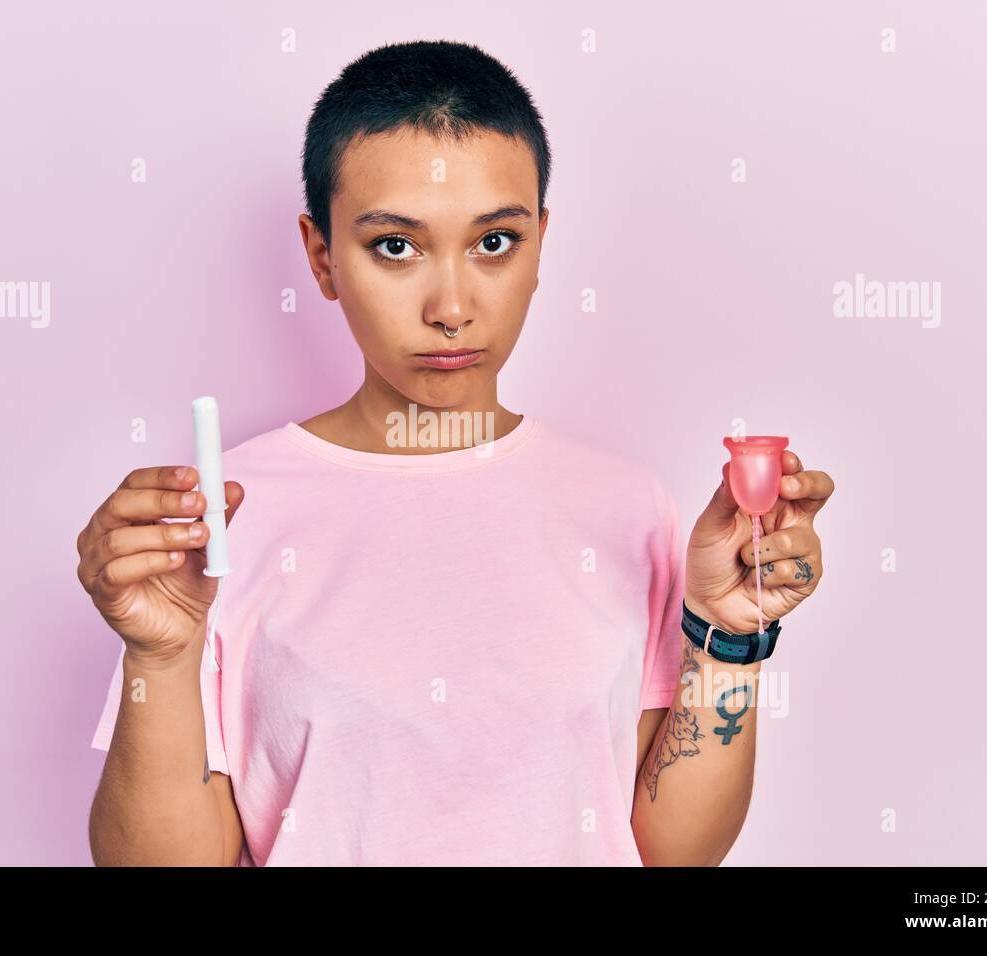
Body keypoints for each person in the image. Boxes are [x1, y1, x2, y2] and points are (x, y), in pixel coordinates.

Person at [78, 39, 834, 866]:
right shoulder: (220, 522)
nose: (450, 307)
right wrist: (162, 651)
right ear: (322, 256)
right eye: (395, 247)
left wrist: (727, 637)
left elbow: (668, 851)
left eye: (494, 243)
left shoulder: (628, 508)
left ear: (541, 243)